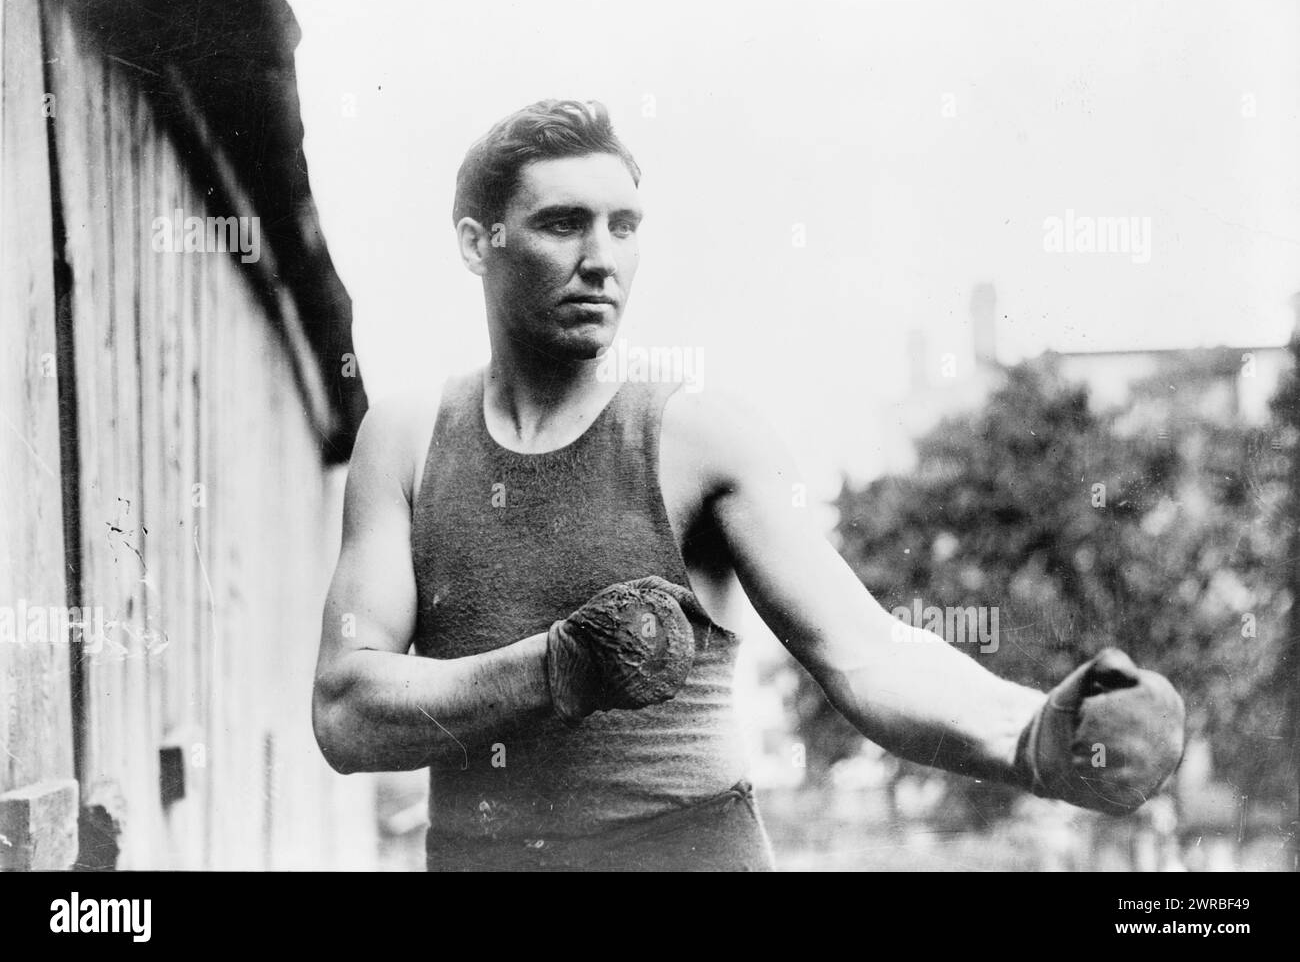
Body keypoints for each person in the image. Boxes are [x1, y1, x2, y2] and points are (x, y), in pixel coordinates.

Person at [311, 99, 1185, 871]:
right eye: (563, 223)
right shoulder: (406, 440)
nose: (601, 258)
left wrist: (1031, 736)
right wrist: (556, 665)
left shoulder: (697, 439)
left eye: (624, 225)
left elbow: (865, 650)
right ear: (478, 242)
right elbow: (347, 712)